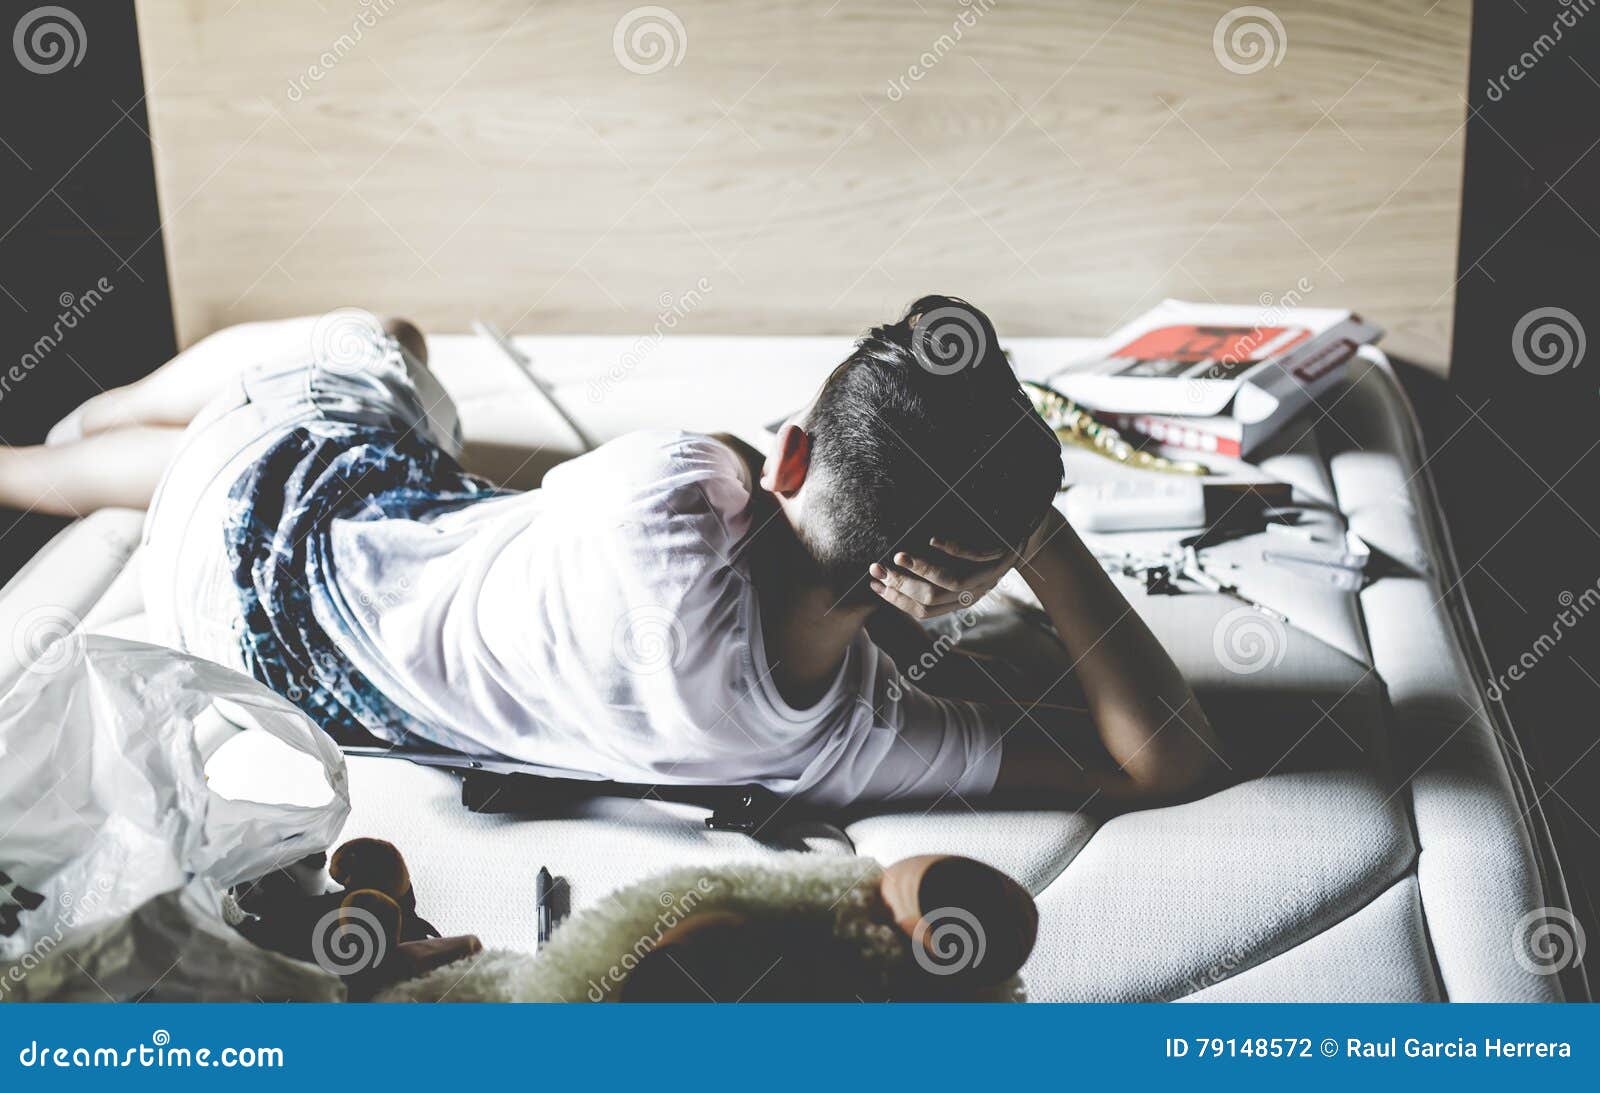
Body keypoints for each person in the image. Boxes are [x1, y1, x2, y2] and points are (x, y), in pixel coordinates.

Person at [0, 297, 1224, 808]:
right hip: (250, 651)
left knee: (383, 342)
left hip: (276, 512)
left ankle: (76, 429)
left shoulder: (676, 475)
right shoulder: (843, 744)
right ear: (974, 563)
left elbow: (763, 485)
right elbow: (1164, 762)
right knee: (279, 468)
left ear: (792, 454)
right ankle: (86, 440)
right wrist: (1036, 539)